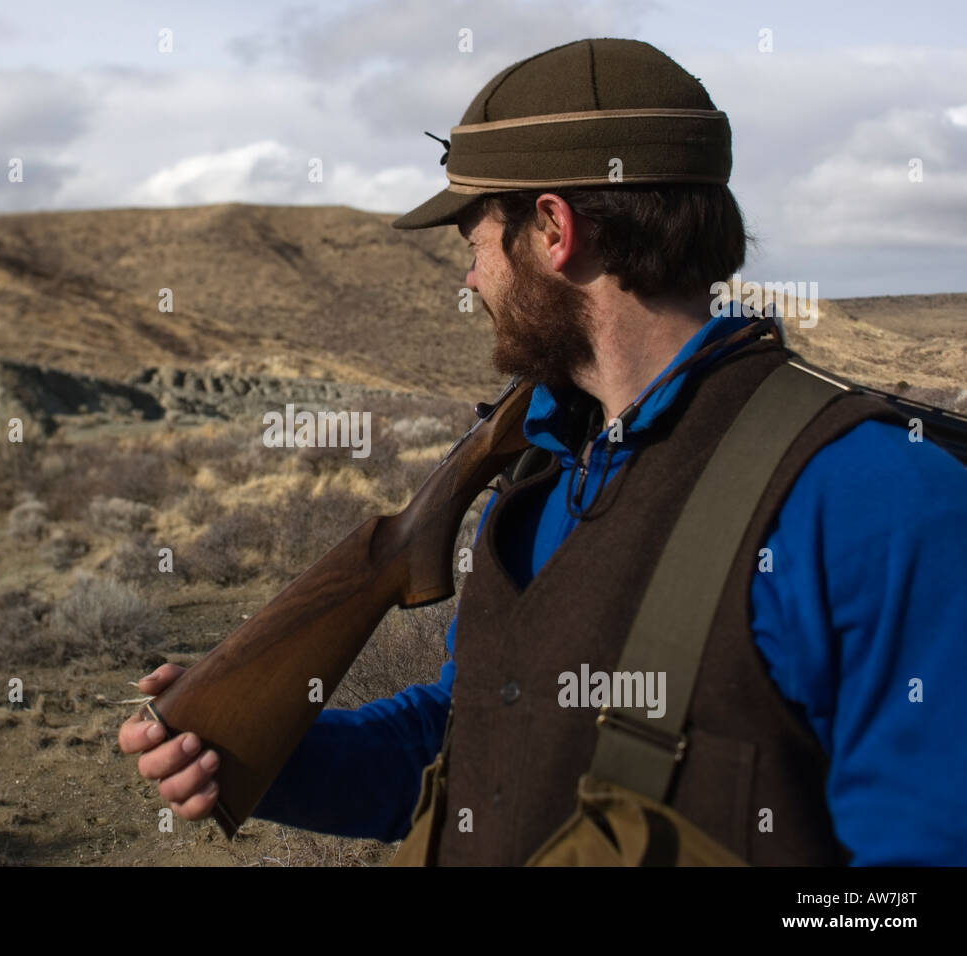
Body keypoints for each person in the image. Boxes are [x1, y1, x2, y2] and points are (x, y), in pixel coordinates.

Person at [119, 38, 967, 865]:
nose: (470, 282)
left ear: (555, 231)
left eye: (476, 245)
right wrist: (259, 753)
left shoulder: (882, 499)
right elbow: (471, 739)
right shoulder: (547, 468)